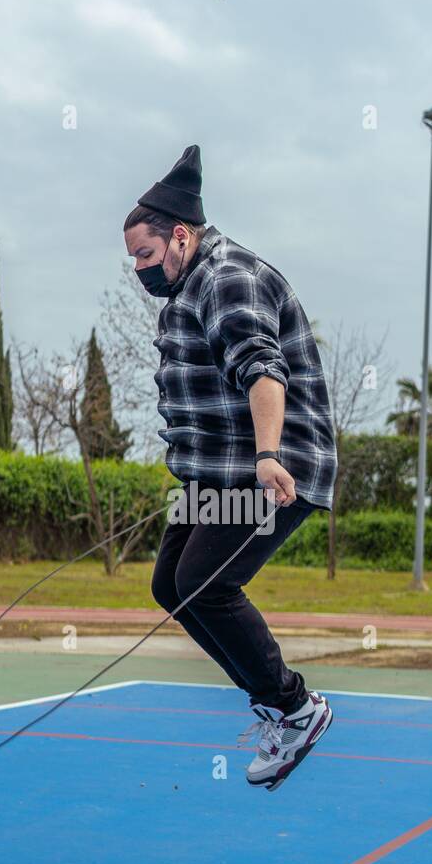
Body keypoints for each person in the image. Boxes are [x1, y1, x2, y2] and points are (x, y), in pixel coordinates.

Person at [123, 145, 338, 790]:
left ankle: (295, 708)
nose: (139, 268)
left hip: (275, 468)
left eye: (145, 254)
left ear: (180, 236)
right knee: (172, 585)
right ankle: (278, 705)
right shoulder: (186, 290)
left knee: (206, 583)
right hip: (214, 475)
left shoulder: (226, 279)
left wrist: (269, 456)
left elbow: (264, 373)